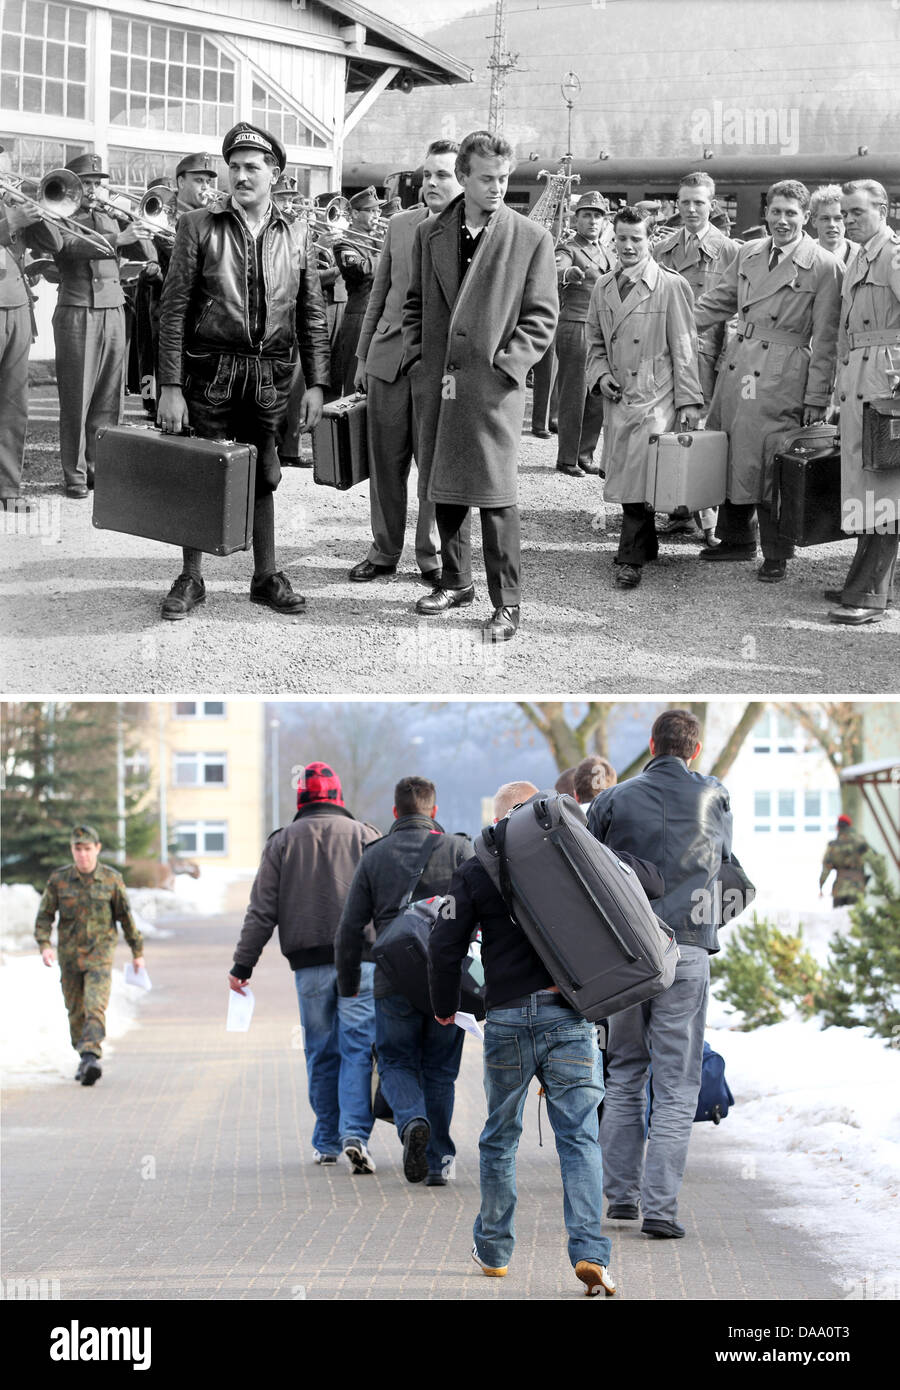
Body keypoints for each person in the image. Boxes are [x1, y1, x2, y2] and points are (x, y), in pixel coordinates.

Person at [429, 778, 660, 1294]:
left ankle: (494, 1251)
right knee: (578, 1138)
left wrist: (445, 1006)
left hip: (507, 1017)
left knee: (499, 1136)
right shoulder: (572, 853)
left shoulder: (476, 867)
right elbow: (652, 880)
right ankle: (590, 1253)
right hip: (570, 1015)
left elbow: (444, 943)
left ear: (497, 820)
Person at [156, 122, 330, 620]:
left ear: (275, 174)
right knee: (200, 470)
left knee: (266, 472)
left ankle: (265, 575)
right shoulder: (198, 225)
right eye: (234, 167)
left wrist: (318, 384)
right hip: (209, 373)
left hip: (270, 377)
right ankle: (191, 576)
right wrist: (170, 386)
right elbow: (173, 310)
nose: (241, 176)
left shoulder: (297, 232)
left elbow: (311, 315)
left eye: (252, 167)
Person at [403, 129, 558, 642]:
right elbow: (413, 303)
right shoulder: (430, 233)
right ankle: (455, 582)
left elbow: (542, 317)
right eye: (488, 179)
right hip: (439, 382)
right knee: (443, 486)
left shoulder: (530, 238)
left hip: (493, 388)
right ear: (464, 177)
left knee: (496, 497)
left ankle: (507, 604)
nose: (497, 188)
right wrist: (419, 359)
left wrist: (507, 368)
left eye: (504, 179)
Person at [586, 709, 733, 1239]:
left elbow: (587, 869)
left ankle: (621, 1199)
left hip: (627, 953)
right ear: (695, 750)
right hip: (687, 949)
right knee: (676, 1083)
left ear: (652, 745)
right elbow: (727, 865)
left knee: (625, 1072)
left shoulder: (612, 799)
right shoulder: (714, 797)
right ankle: (661, 1209)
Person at [228, 763, 382, 1171]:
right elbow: (388, 900)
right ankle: (355, 1134)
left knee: (320, 1050)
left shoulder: (282, 842)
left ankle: (327, 1140)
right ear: (338, 796)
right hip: (361, 963)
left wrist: (243, 964)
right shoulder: (365, 835)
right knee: (357, 1049)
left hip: (309, 966)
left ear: (301, 799)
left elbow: (261, 910)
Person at [694, 179, 843, 584]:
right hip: (739, 362)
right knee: (731, 447)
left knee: (770, 460)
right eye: (776, 211)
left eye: (791, 213)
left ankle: (777, 552)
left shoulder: (825, 265)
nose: (782, 220)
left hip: (784, 372)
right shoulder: (749, 252)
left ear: (806, 217)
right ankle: (736, 538)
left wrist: (818, 395)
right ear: (766, 213)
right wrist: (676, 325)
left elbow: (827, 338)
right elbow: (720, 300)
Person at [335, 776, 473, 1186]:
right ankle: (438, 1161)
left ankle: (412, 1120)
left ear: (395, 812)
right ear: (434, 810)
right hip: (448, 980)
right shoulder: (459, 850)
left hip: (393, 980)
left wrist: (348, 986)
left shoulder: (374, 856)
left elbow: (348, 929)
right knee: (440, 1070)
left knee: (395, 1061)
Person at [347, 142, 461, 585]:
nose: (431, 182)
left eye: (443, 175)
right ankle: (384, 550)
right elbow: (380, 293)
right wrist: (363, 356)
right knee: (385, 464)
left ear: (464, 180)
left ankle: (430, 555)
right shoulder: (399, 224)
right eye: (427, 174)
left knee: (433, 466)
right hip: (388, 360)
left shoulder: (475, 232)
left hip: (439, 369)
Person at [585, 205, 703, 589]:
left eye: (636, 238)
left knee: (639, 475)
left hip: (655, 396)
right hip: (618, 396)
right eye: (621, 238)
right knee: (626, 472)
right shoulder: (603, 286)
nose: (628, 246)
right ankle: (647, 544)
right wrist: (600, 374)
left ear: (650, 239)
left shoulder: (670, 285)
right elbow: (594, 342)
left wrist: (689, 401)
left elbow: (685, 347)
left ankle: (630, 558)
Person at [49, 153, 148, 498]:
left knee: (109, 398)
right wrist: (118, 239)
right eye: (86, 183)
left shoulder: (108, 217)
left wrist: (133, 221)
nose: (93, 190)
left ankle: (98, 468)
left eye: (96, 183)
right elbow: (68, 247)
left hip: (114, 308)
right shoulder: (59, 214)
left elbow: (148, 253)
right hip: (78, 309)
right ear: (70, 186)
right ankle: (75, 475)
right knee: (77, 397)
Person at [826, 179, 900, 625]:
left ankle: (870, 595)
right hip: (862, 378)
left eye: (857, 212)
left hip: (885, 383)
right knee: (866, 484)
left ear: (883, 211)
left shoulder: (892, 254)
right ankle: (864, 582)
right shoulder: (861, 255)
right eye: (845, 213)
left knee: (884, 486)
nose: (848, 220)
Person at [653, 171, 740, 543]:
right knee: (671, 428)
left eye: (699, 202)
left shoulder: (731, 251)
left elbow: (736, 311)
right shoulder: (663, 248)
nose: (691, 209)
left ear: (712, 205)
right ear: (677, 203)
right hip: (666, 352)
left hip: (707, 353)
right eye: (685, 202)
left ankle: (709, 520)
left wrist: (728, 357)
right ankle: (679, 510)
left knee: (702, 431)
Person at [34, 824, 145, 1086]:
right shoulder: (59, 880)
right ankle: (84, 1056)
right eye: (78, 849)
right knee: (75, 1012)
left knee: (94, 1006)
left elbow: (125, 917)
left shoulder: (111, 880)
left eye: (87, 849)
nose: (82, 854)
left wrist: (137, 951)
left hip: (99, 957)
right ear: (72, 850)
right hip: (70, 958)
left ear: (97, 848)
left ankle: (91, 1055)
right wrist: (45, 945)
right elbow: (45, 916)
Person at [0, 143, 64, 506]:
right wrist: (10, 222)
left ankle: (7, 488)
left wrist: (40, 213)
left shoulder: (14, 205)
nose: (6, 181)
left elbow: (55, 244)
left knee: (14, 403)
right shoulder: (9, 215)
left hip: (18, 307)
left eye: (8, 173)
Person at [553, 191, 615, 477]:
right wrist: (568, 274)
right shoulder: (569, 249)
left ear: (604, 222)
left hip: (604, 332)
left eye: (598, 216)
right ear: (575, 219)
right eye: (587, 215)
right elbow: (557, 269)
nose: (593, 221)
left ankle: (585, 454)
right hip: (577, 326)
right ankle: (567, 458)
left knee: (597, 394)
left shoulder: (609, 252)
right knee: (574, 395)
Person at [333, 186, 382, 395]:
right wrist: (389, 253)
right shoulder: (344, 243)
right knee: (355, 381)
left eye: (378, 211)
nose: (377, 216)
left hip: (382, 316)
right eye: (371, 211)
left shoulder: (377, 240)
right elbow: (362, 271)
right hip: (360, 315)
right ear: (354, 214)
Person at [819, 814, 871, 907]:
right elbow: (875, 860)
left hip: (839, 890)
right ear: (850, 826)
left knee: (839, 916)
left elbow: (826, 868)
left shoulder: (833, 845)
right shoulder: (861, 843)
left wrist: (821, 886)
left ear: (837, 828)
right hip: (857, 889)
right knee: (856, 915)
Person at [810, 184, 857, 269]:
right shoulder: (803, 254)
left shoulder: (863, 255)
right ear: (814, 221)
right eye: (825, 218)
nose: (832, 224)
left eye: (838, 218)